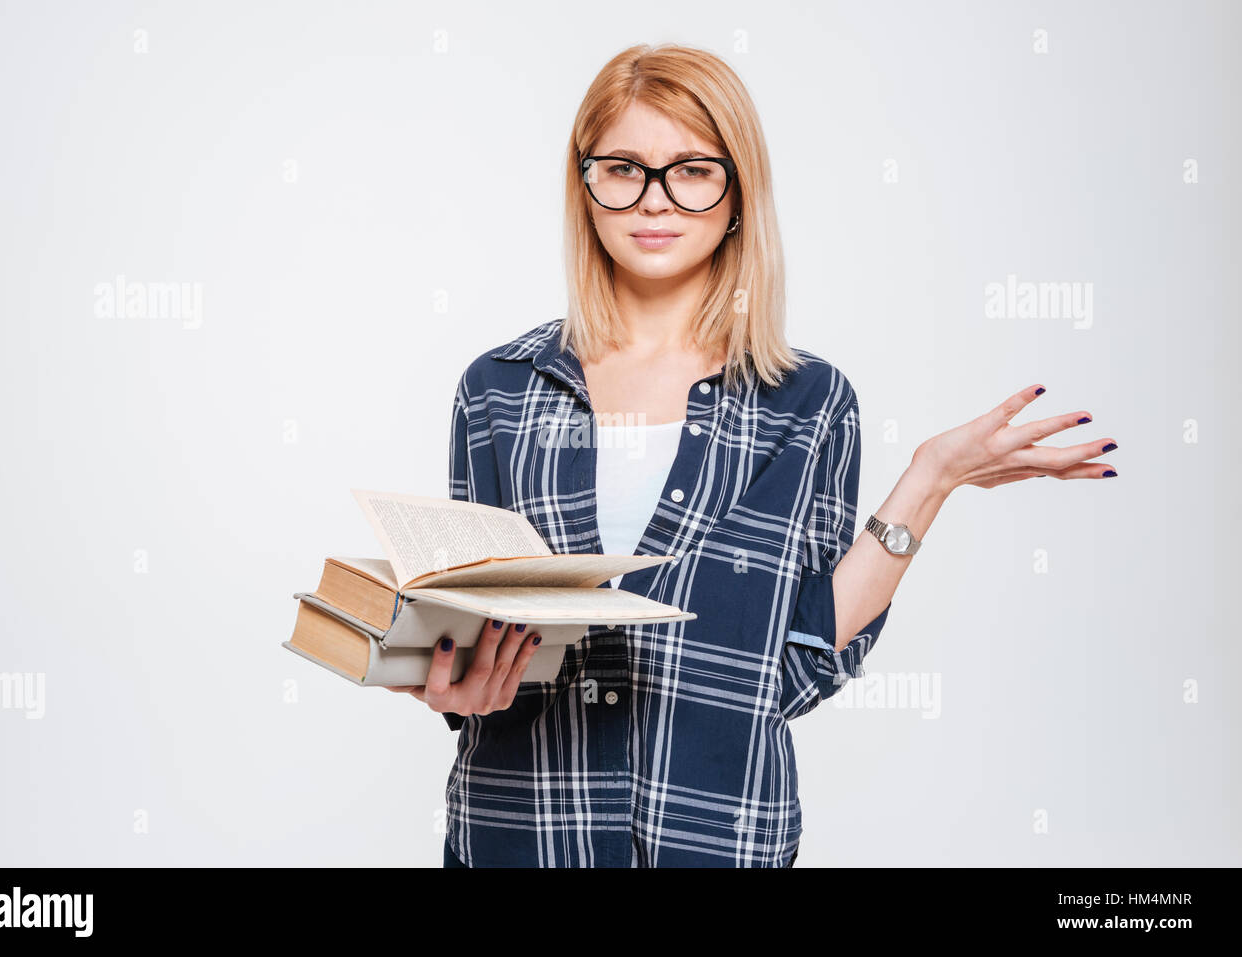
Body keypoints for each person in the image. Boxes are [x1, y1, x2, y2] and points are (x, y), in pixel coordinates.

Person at [387, 43, 1119, 868]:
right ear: (584, 183)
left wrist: (931, 479)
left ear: (737, 191)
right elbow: (473, 625)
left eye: (692, 170)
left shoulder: (807, 404)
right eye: (623, 168)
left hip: (717, 842)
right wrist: (449, 680)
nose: (653, 201)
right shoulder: (499, 390)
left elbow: (797, 669)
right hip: (516, 837)